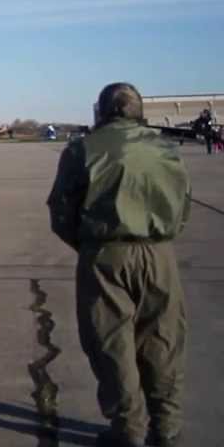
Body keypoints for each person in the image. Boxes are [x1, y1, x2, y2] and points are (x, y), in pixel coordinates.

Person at [47, 83, 191, 447]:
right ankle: (167, 429)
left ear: (102, 111)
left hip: (105, 254)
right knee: (163, 340)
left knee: (112, 342)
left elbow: (61, 212)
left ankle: (128, 429)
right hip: (159, 254)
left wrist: (89, 246)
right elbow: (183, 206)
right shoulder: (166, 149)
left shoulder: (81, 150)